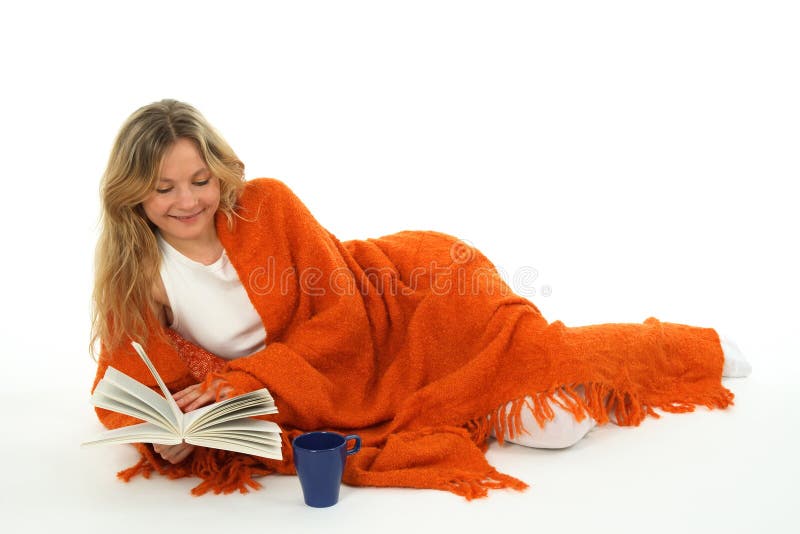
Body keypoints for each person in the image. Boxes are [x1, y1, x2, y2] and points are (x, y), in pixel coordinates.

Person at [89, 99, 751, 495]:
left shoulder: (268, 205)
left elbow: (343, 320)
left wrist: (242, 380)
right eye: (163, 188)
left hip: (410, 298)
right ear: (133, 194)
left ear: (220, 171)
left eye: (199, 179)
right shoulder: (138, 273)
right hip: (311, 386)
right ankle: (500, 402)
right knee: (555, 431)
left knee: (547, 377)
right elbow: (129, 390)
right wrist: (165, 443)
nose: (187, 202)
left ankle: (696, 353)